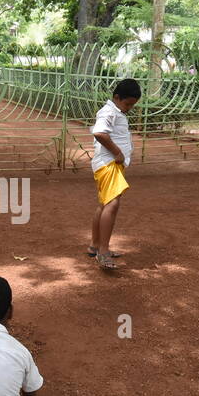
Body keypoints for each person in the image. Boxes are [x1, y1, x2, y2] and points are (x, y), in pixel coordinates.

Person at [89, 78, 140, 271]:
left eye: (132, 105)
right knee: (113, 203)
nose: (129, 108)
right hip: (109, 163)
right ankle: (103, 251)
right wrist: (118, 152)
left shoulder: (115, 111)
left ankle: (95, 246)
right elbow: (100, 133)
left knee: (104, 204)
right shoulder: (109, 111)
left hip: (111, 164)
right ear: (117, 97)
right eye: (127, 104)